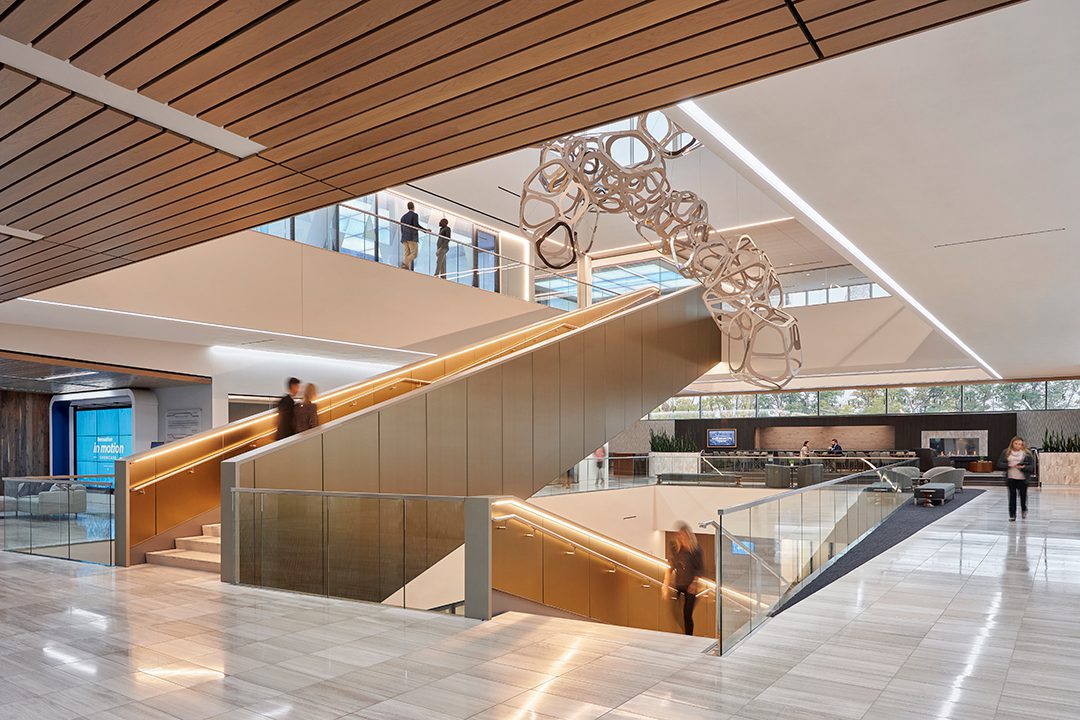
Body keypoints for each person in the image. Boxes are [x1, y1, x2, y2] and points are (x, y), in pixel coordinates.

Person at [664, 523, 704, 636]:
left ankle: (688, 636)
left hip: (691, 586)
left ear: (687, 536)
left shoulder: (696, 550)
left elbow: (700, 568)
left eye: (682, 535)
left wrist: (694, 583)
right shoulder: (676, 547)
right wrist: (666, 583)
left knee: (687, 613)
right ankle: (681, 633)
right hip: (679, 584)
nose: (680, 538)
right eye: (678, 536)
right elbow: (672, 565)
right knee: (675, 611)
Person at [998, 436, 1033, 521]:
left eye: (1020, 444)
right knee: (1012, 497)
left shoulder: (1027, 454)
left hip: (1023, 479)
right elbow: (999, 464)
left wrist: (1023, 467)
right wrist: (1008, 465)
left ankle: (1024, 509)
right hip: (1011, 478)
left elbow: (1031, 467)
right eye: (1016, 444)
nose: (1018, 446)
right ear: (1012, 443)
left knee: (1023, 496)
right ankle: (1012, 514)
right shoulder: (1006, 452)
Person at [399, 201, 429, 271]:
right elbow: (416, 225)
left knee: (406, 253)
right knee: (414, 254)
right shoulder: (415, 215)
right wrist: (425, 230)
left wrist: (403, 237)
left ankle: (405, 267)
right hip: (412, 237)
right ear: (413, 207)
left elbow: (401, 228)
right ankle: (404, 263)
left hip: (404, 238)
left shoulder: (403, 217)